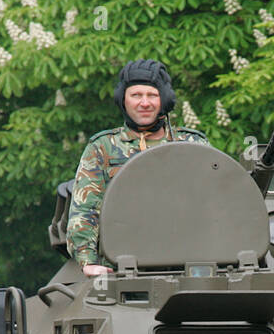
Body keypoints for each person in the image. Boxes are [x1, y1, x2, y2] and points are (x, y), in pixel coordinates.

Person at [67, 60, 208, 276]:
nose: (145, 103)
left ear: (165, 100)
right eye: (136, 95)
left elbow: (216, 201)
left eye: (152, 95)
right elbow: (85, 209)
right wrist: (88, 261)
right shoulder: (103, 147)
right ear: (123, 99)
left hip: (190, 265)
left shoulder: (191, 144)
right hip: (122, 270)